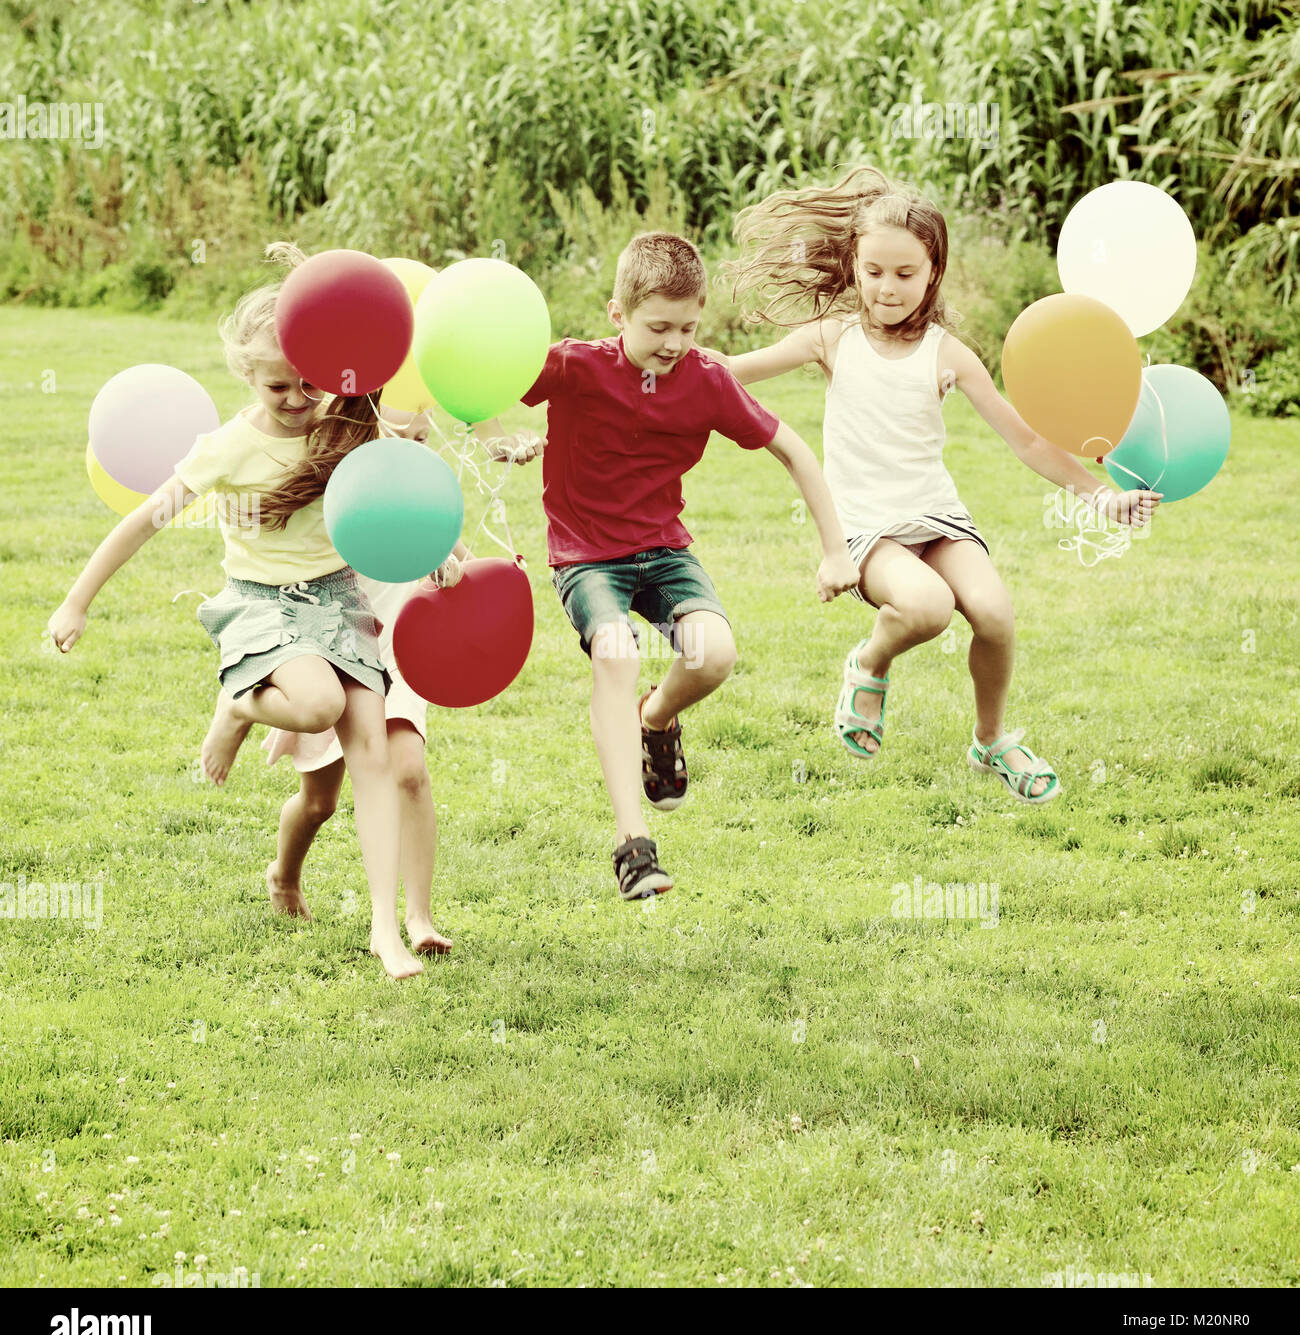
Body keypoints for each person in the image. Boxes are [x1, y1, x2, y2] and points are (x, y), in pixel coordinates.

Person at [709, 167, 1162, 803]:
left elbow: (1026, 438)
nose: (887, 288)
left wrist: (1100, 495)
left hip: (936, 518)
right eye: (873, 272)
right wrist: (654, 352)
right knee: (926, 609)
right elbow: (732, 372)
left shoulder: (947, 353)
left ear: (932, 272)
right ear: (855, 265)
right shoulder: (832, 337)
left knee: (996, 616)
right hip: (866, 527)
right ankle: (869, 664)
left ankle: (992, 739)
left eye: (904, 274)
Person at [47, 243, 427, 978]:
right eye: (279, 386)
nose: (296, 399)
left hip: (338, 602)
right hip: (262, 607)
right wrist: (76, 601)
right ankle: (241, 702)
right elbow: (143, 521)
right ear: (247, 376)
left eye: (308, 384)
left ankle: (386, 932)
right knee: (316, 707)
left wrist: (430, 549)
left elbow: (394, 493)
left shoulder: (344, 425)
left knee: (371, 753)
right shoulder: (225, 447)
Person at [490, 230, 860, 899]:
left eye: (688, 328)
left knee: (714, 654)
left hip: (663, 553)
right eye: (658, 326)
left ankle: (655, 721)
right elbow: (487, 381)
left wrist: (836, 550)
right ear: (618, 315)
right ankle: (634, 846)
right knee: (615, 651)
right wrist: (508, 439)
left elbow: (796, 452)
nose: (674, 343)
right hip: (589, 558)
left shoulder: (707, 381)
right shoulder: (574, 366)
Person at [261, 406, 483, 958]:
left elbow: (463, 565)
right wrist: (293, 692)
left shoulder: (428, 497)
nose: (414, 450)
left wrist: (454, 571)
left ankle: (420, 918)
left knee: (409, 773)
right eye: (400, 436)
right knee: (320, 803)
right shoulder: (342, 494)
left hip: (400, 657)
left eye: (424, 438)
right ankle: (284, 875)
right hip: (338, 655)